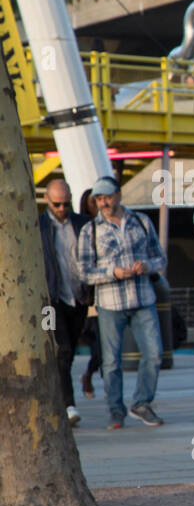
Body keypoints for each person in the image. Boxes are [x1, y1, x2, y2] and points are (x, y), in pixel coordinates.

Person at [76, 176, 167, 429]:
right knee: (111, 361)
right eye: (99, 198)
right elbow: (83, 271)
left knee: (154, 354)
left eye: (107, 196)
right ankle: (116, 411)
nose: (103, 202)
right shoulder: (90, 230)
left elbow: (160, 259)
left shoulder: (141, 222)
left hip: (143, 298)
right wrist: (112, 273)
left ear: (118, 195)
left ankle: (142, 403)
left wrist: (147, 266)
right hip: (110, 303)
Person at [39, 179, 92, 426]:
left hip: (78, 297)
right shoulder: (37, 225)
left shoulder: (82, 224)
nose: (62, 208)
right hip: (51, 299)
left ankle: (56, 394)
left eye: (66, 203)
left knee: (68, 352)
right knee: (62, 349)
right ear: (47, 201)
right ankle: (68, 405)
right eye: (57, 204)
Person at [78, 187, 101, 400]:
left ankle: (93, 375)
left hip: (109, 297)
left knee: (108, 349)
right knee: (99, 348)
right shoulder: (84, 228)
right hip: (89, 300)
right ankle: (88, 376)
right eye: (94, 202)